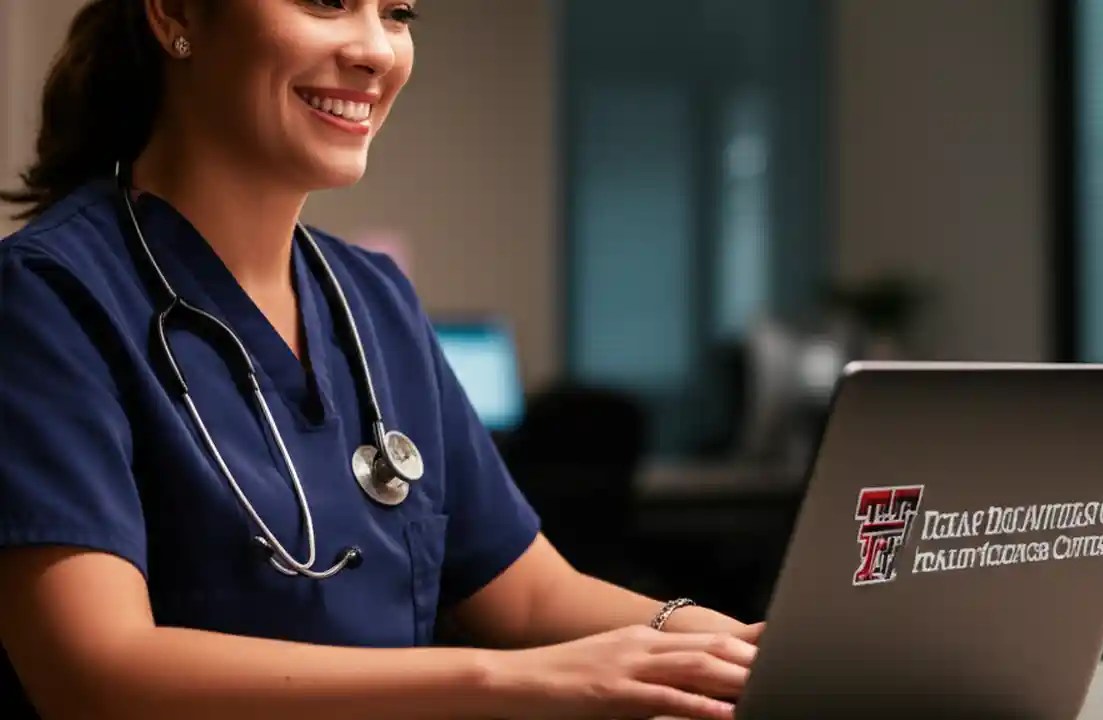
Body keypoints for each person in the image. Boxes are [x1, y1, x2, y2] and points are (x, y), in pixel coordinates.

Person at [0, 1, 762, 718]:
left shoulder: (372, 298)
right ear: (174, 12)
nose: (375, 51)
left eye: (397, 13)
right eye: (325, 2)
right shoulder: (48, 296)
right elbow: (93, 670)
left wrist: (743, 650)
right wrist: (507, 681)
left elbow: (530, 595)